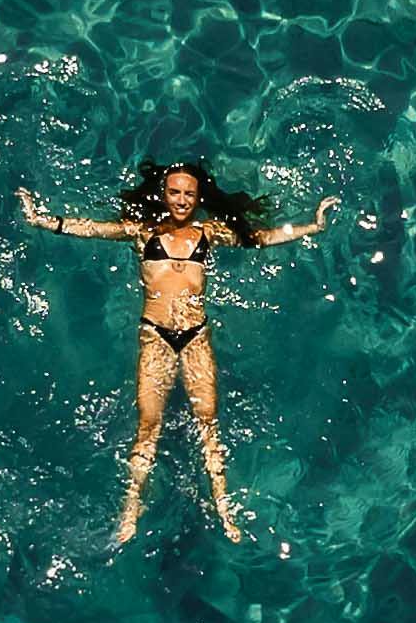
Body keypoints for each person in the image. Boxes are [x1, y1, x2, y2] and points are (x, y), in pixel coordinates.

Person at [17, 161, 339, 545]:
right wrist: (40, 219)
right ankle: (129, 510)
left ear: (198, 197)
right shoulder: (143, 232)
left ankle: (223, 507)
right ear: (163, 194)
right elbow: (92, 228)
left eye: (189, 193)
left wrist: (313, 226)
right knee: (148, 426)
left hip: (196, 335)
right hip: (155, 336)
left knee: (208, 423)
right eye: (175, 192)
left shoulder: (209, 233)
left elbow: (261, 237)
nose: (182, 200)